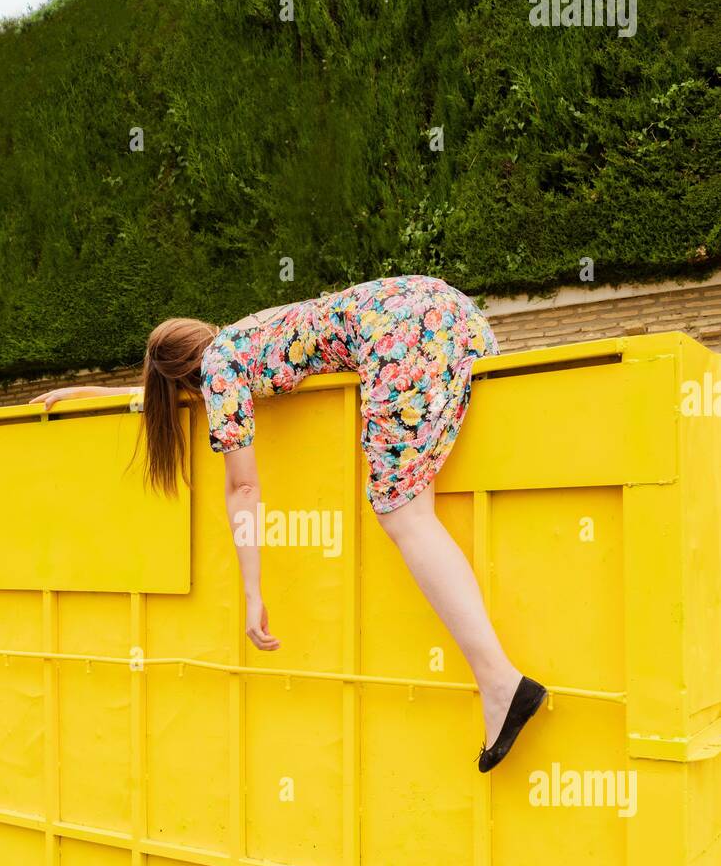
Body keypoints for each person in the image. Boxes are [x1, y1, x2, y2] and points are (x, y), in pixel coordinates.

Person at [31, 274, 546, 770]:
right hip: (443, 310)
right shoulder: (242, 337)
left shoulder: (219, 367)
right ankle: (499, 681)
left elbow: (244, 487)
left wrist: (253, 592)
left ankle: (500, 682)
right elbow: (189, 395)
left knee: (402, 511)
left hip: (399, 334)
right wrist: (91, 394)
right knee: (413, 494)